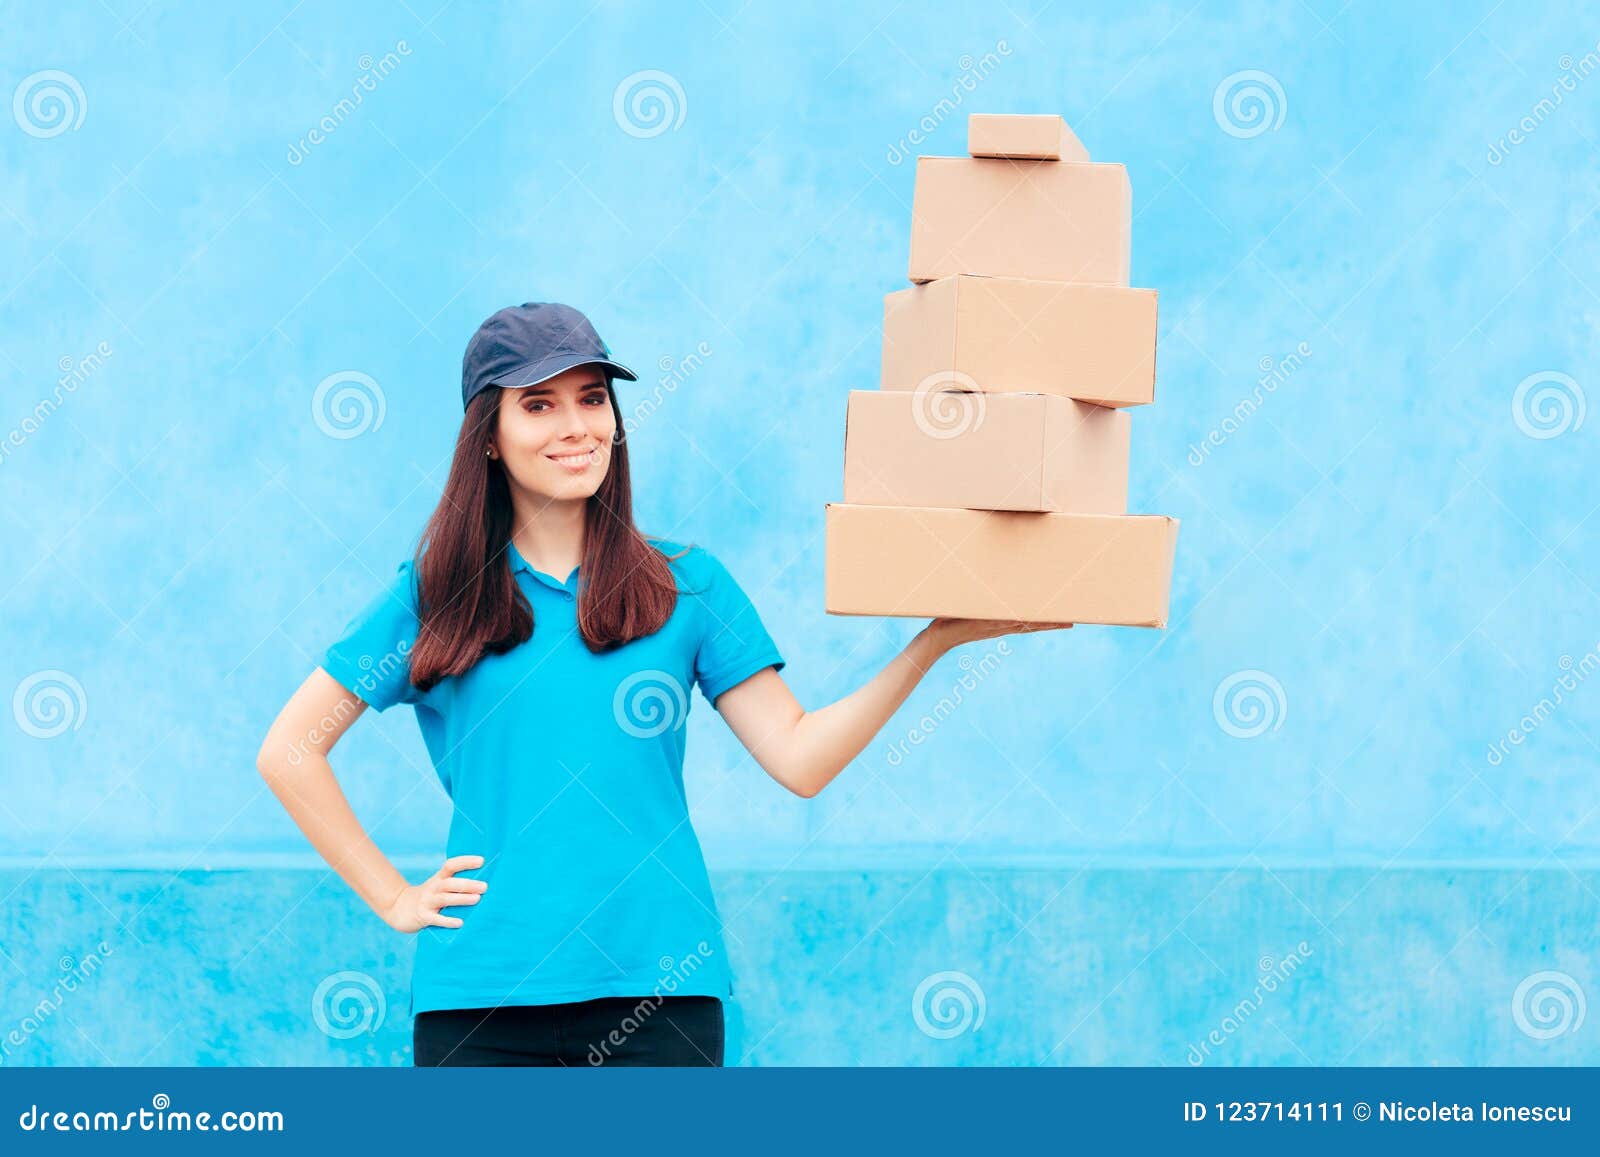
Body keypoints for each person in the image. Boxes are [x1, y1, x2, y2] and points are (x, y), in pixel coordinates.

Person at [255, 302, 1068, 1067]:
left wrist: (931, 645)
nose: (576, 427)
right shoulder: (437, 594)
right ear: (490, 437)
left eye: (592, 399)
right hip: (479, 1004)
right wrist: (393, 895)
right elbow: (290, 750)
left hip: (661, 995)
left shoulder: (688, 586)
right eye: (538, 405)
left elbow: (800, 758)